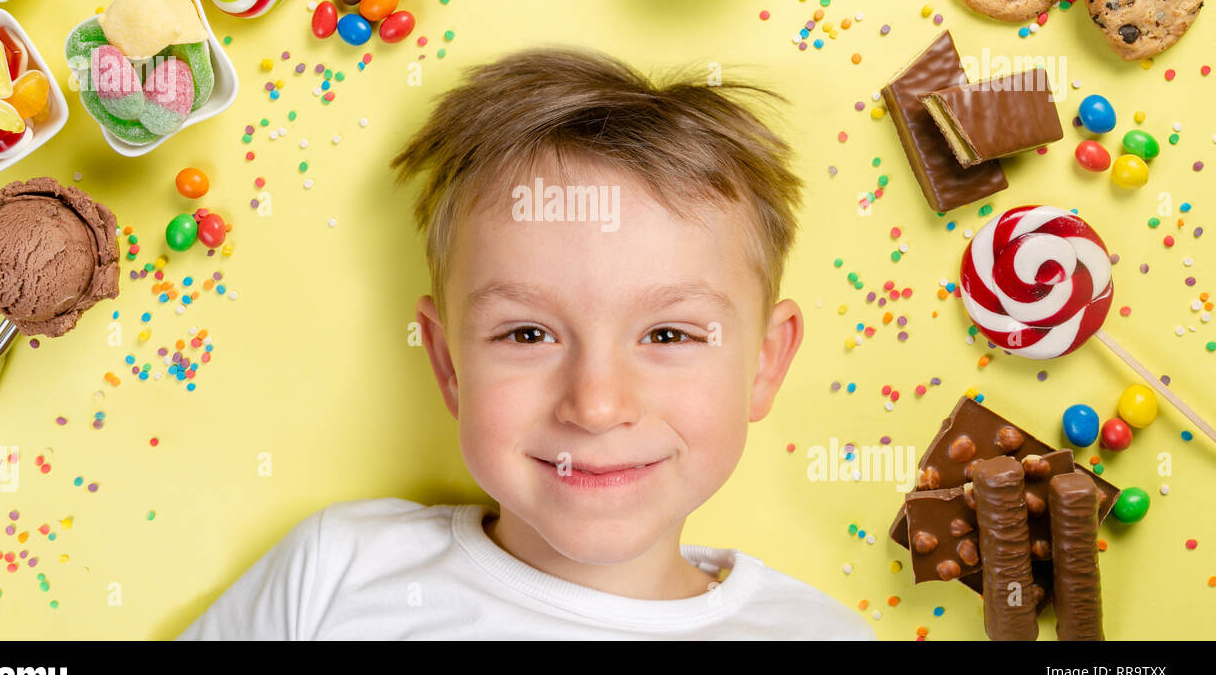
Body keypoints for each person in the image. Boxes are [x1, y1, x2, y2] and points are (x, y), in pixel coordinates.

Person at [178, 48, 873, 639]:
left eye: (668, 333)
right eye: (528, 333)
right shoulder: (336, 572)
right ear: (449, 362)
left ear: (764, 363)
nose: (597, 405)